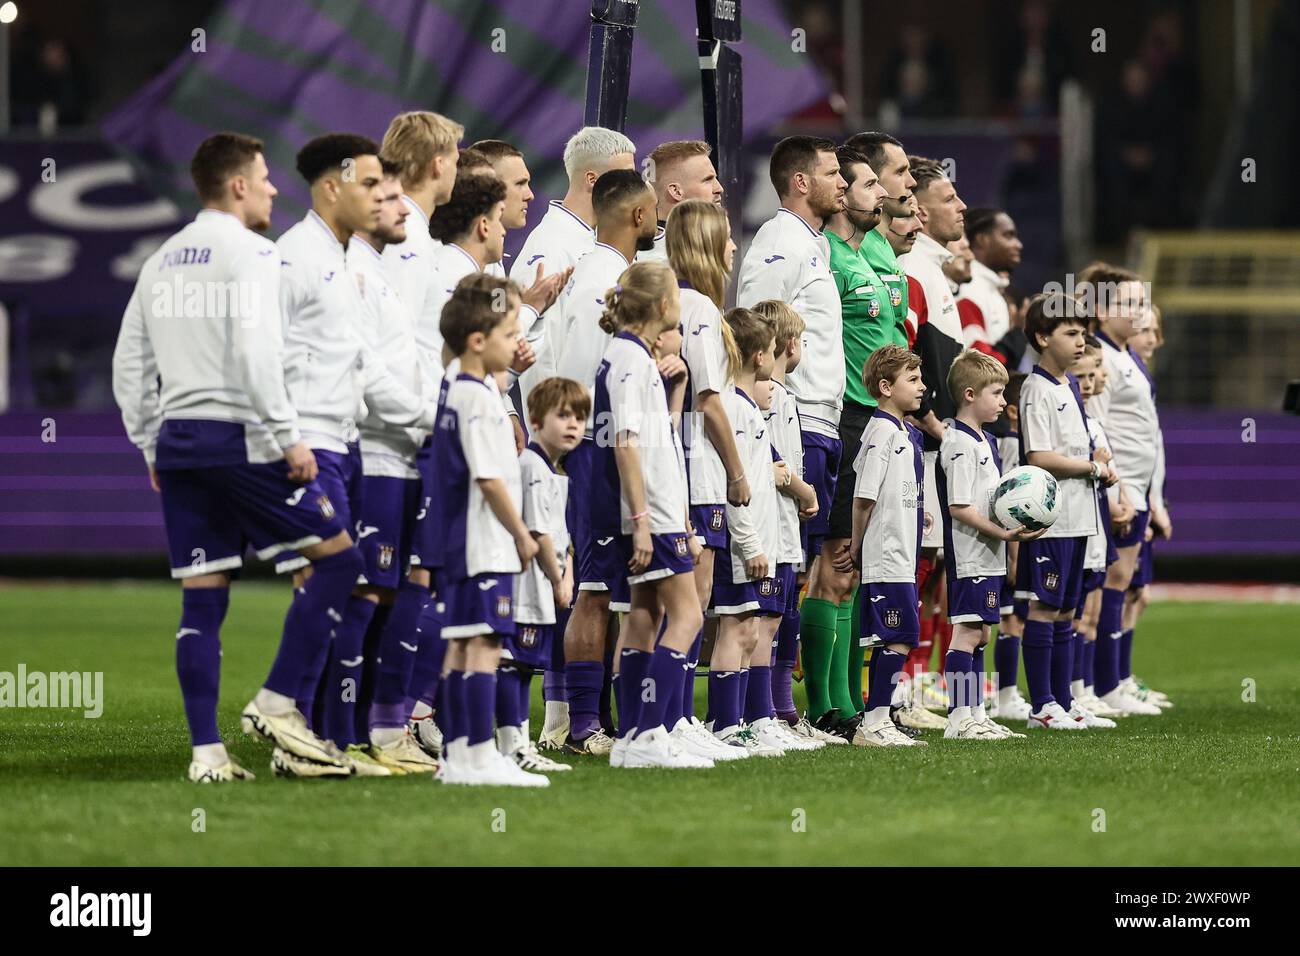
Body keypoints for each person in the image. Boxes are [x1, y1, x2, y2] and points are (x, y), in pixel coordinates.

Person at [110, 132, 361, 781]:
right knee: (338, 559)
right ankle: (277, 703)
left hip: (180, 443)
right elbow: (255, 354)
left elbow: (129, 363)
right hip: (241, 437)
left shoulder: (161, 259)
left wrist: (147, 443)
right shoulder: (253, 253)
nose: (275, 188)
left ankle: (207, 756)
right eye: (264, 177)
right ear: (239, 185)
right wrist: (287, 435)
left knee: (203, 595)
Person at [275, 133, 440, 775]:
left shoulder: (360, 268)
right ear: (335, 187)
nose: (388, 203)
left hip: (365, 446)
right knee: (352, 590)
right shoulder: (314, 260)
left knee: (368, 592)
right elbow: (364, 373)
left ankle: (341, 736)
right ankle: (314, 727)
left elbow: (378, 366)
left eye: (390, 190)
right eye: (375, 188)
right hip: (353, 448)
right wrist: (438, 419)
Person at [736, 135, 847, 736]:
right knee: (781, 564)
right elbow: (757, 329)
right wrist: (774, 423)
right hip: (794, 418)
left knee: (797, 564)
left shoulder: (812, 244)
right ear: (801, 182)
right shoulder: (780, 241)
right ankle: (769, 708)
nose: (842, 182)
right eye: (832, 171)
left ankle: (780, 706)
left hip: (817, 418)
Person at [552, 168, 659, 755]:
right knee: (593, 590)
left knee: (613, 590)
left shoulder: (606, 274)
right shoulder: (603, 281)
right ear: (639, 216)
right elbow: (581, 377)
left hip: (610, 447)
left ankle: (602, 718)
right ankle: (582, 725)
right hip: (599, 451)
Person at [592, 261, 711, 769]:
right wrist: (642, 520)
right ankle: (648, 733)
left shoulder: (632, 357)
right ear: (663, 307)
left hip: (657, 511)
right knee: (688, 615)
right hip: (650, 515)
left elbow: (654, 437)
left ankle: (634, 737)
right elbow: (624, 443)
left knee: (646, 616)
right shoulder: (629, 359)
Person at [433, 273, 547, 787]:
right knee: (483, 647)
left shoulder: (459, 385)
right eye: (507, 333)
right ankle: (479, 755)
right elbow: (489, 476)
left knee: (462, 646)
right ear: (478, 342)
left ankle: (459, 753)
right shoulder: (478, 398)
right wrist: (522, 533)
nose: (516, 342)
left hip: (461, 541)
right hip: (485, 542)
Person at [664, 199, 755, 761]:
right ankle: (668, 721)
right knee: (689, 604)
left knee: (680, 606)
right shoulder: (696, 306)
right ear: (705, 244)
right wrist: (738, 470)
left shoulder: (674, 301)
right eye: (725, 238)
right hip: (697, 473)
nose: (733, 248)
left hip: (679, 467)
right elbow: (709, 399)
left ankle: (674, 718)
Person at [813, 145, 891, 736]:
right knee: (833, 564)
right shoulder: (826, 254)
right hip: (845, 417)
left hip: (878, 420)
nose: (879, 194)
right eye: (866, 184)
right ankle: (825, 706)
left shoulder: (876, 249)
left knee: (855, 567)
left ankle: (847, 703)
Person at [1015, 293, 1118, 730]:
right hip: (1049, 521)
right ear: (1042, 337)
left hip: (1079, 518)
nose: (1081, 342)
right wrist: (1093, 466)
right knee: (1044, 608)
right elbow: (1039, 456)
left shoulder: (1069, 385)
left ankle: (1065, 699)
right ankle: (1042, 703)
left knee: (1066, 611)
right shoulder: (1037, 388)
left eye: (1083, 333)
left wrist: (1095, 454)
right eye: (1070, 333)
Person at [830, 345, 928, 747]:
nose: (922, 387)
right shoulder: (881, 432)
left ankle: (878, 719)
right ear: (885, 387)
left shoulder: (904, 432)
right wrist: (857, 543)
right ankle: (874, 722)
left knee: (901, 636)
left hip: (903, 552)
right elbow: (864, 497)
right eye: (913, 379)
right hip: (887, 556)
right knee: (899, 637)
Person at [934, 349, 1035, 739]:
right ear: (971, 395)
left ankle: (976, 712)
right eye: (996, 393)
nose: (1004, 401)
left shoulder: (985, 440)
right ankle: (959, 717)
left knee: (982, 633)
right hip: (970, 552)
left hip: (987, 553)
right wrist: (1003, 533)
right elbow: (959, 507)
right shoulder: (958, 442)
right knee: (967, 632)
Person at [750, 300, 838, 745]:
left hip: (786, 530)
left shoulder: (783, 394)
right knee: (766, 619)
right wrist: (804, 490)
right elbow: (769, 456)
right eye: (801, 340)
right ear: (788, 344)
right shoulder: (769, 394)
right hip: (773, 526)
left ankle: (780, 710)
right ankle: (759, 714)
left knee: (785, 614)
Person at [1082, 263, 1165, 716]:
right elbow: (1100, 431)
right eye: (1129, 303)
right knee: (1109, 585)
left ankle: (1107, 683)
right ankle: (1101, 684)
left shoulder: (1124, 355)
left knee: (1120, 583)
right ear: (1100, 308)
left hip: (1135, 486)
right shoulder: (1104, 360)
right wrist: (1119, 494)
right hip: (1120, 487)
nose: (1139, 310)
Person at [497, 377, 587, 772]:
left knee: (521, 663)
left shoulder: (551, 469)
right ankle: (509, 745)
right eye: (563, 416)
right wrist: (559, 578)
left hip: (541, 587)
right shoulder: (532, 466)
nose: (573, 425)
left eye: (580, 418)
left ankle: (516, 745)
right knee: (514, 664)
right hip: (527, 587)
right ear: (534, 420)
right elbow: (538, 531)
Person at [511, 126, 637, 405]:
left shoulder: (592, 239)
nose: (636, 186)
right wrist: (551, 432)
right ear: (592, 179)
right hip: (566, 428)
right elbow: (537, 350)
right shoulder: (550, 248)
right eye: (626, 176)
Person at [1070, 338, 1126, 722]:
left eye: (1093, 374)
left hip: (1095, 523)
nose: (1090, 382)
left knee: (1088, 613)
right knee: (1066, 615)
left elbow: (1106, 469)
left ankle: (1083, 688)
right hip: (1070, 528)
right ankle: (1067, 691)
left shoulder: (1091, 421)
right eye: (1083, 375)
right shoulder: (1070, 422)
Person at [987, 371, 1034, 722]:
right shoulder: (1010, 446)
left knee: (1010, 620)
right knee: (997, 624)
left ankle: (1003, 694)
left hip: (1009, 546)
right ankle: (999, 695)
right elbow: (1010, 503)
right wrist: (1014, 556)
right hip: (1004, 548)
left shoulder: (1011, 443)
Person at [638, 139, 724, 262]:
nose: (719, 188)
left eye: (715, 179)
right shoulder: (657, 267)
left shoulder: (702, 248)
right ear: (676, 191)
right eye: (707, 180)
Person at [958, 208, 1022, 355]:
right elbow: (979, 366)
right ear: (982, 239)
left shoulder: (990, 290)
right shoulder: (969, 289)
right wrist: (1016, 336)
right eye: (1008, 236)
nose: (1018, 245)